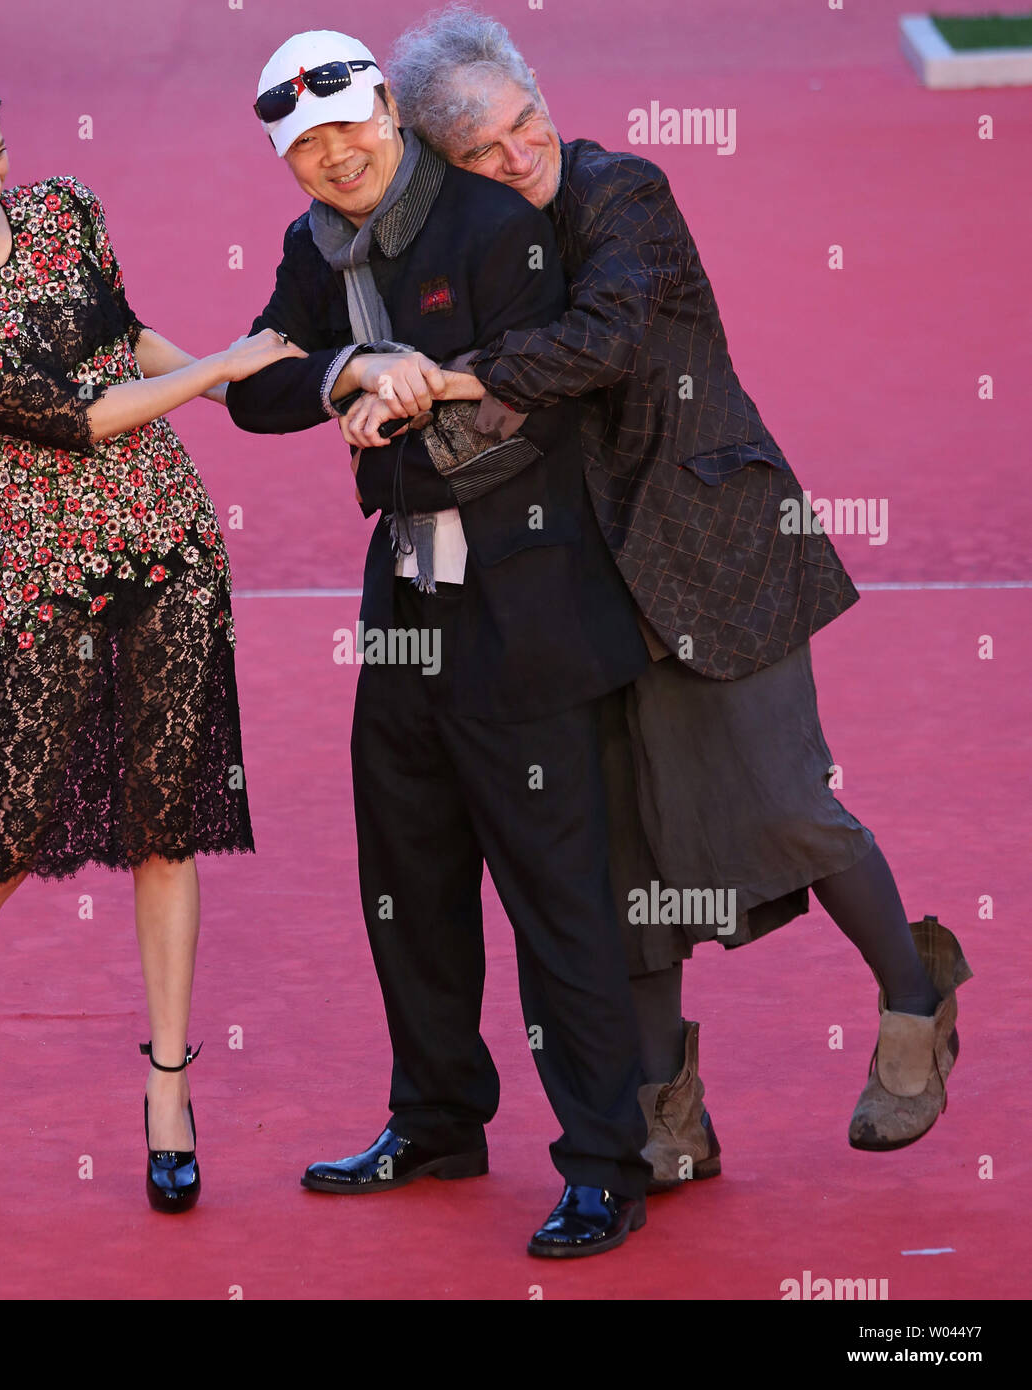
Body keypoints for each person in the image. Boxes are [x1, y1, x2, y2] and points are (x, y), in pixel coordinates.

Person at [342, 5, 971, 1185]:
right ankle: (662, 1105)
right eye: (482, 150)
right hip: (581, 594)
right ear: (441, 158)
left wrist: (439, 380)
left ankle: (911, 990)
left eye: (524, 122)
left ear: (542, 101)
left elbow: (605, 337)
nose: (518, 153)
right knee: (625, 868)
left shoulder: (621, 191)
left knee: (787, 803)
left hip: (713, 548)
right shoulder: (457, 252)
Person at [227, 29, 657, 1258]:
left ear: (391, 115)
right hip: (409, 608)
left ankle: (601, 1164)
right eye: (305, 147)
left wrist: (404, 415)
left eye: (350, 126)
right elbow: (259, 379)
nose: (335, 156)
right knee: (406, 881)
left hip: (530, 608)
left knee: (557, 903)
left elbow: (535, 407)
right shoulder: (318, 249)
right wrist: (357, 366)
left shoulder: (490, 226)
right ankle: (435, 1120)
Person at [0, 54, 304, 1213]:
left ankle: (165, 1086)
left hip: (171, 548)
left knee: (165, 824)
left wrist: (228, 382)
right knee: (3, 834)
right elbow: (77, 420)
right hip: (50, 575)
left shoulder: (66, 213)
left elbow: (124, 339)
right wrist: (220, 367)